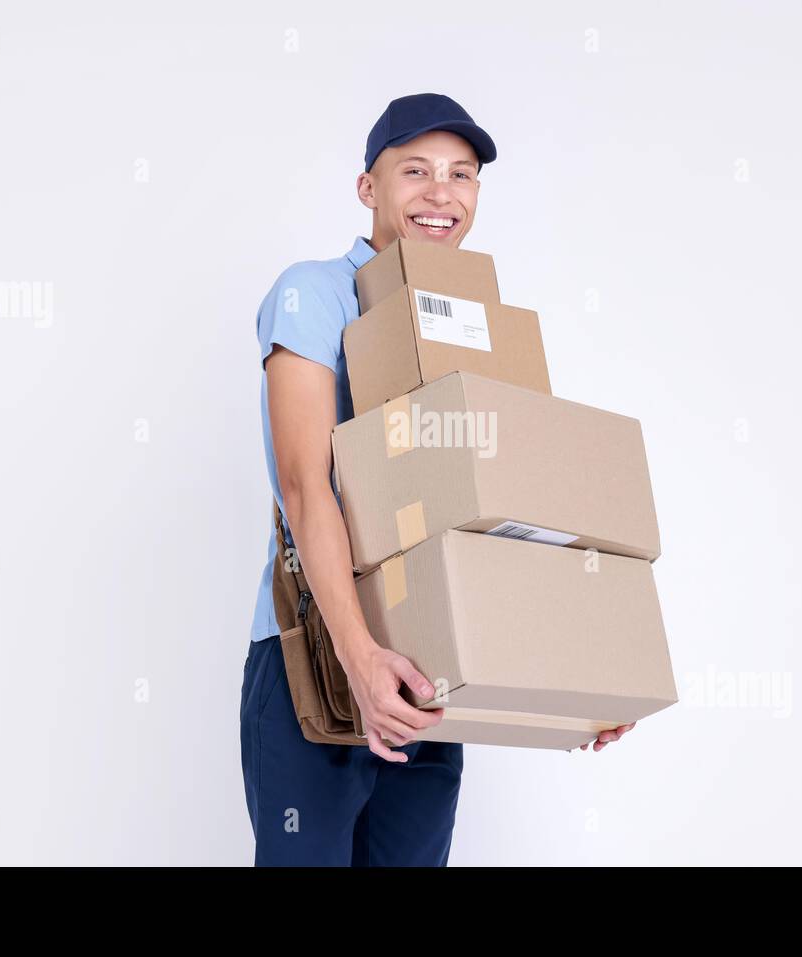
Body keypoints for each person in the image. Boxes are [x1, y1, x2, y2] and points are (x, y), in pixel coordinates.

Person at [240, 93, 636, 867]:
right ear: (368, 188)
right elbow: (304, 485)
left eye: (461, 175)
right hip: (319, 657)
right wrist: (360, 658)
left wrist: (580, 686)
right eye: (415, 170)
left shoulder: (468, 316)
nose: (440, 193)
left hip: (430, 675)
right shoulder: (313, 291)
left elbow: (503, 521)